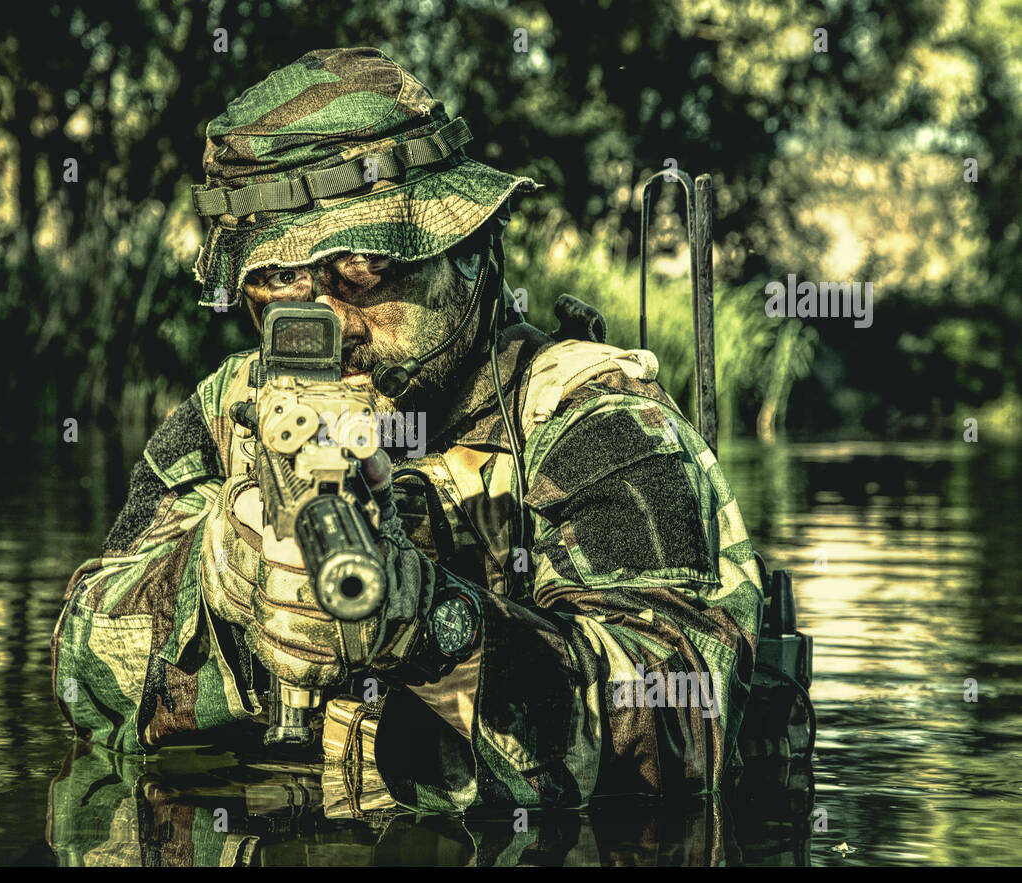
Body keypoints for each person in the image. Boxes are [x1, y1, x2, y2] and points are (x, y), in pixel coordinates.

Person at [50, 46, 764, 811]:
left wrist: (429, 626)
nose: (328, 318)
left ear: (468, 249)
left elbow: (679, 730)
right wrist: (217, 579)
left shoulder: (592, 421)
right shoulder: (231, 412)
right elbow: (80, 678)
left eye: (362, 266)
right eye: (280, 280)